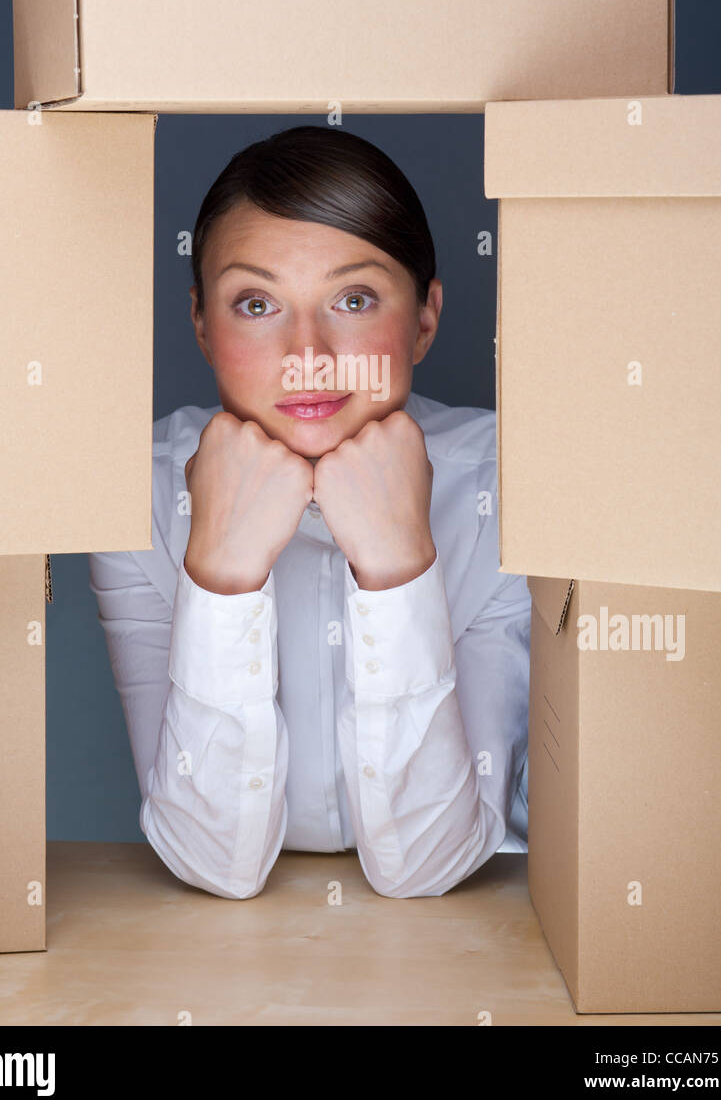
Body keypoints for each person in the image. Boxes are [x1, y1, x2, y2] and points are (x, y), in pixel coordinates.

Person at [88, 124, 530, 900]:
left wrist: (397, 568)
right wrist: (221, 573)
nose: (309, 355)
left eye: (352, 300)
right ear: (201, 324)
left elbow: (431, 864)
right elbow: (209, 860)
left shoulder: (513, 486)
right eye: (256, 304)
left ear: (424, 317)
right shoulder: (135, 494)